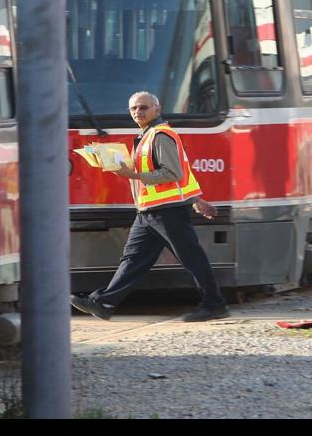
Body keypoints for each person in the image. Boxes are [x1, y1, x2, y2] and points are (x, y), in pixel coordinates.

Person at [70, 91, 230, 322]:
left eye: (143, 107)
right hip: (149, 211)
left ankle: (215, 304)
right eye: (134, 108)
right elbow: (182, 175)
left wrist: (131, 174)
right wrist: (196, 199)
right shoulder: (146, 135)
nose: (138, 112)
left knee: (191, 257)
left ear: (157, 108)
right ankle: (104, 302)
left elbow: (173, 173)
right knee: (133, 260)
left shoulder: (161, 135)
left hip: (167, 210)